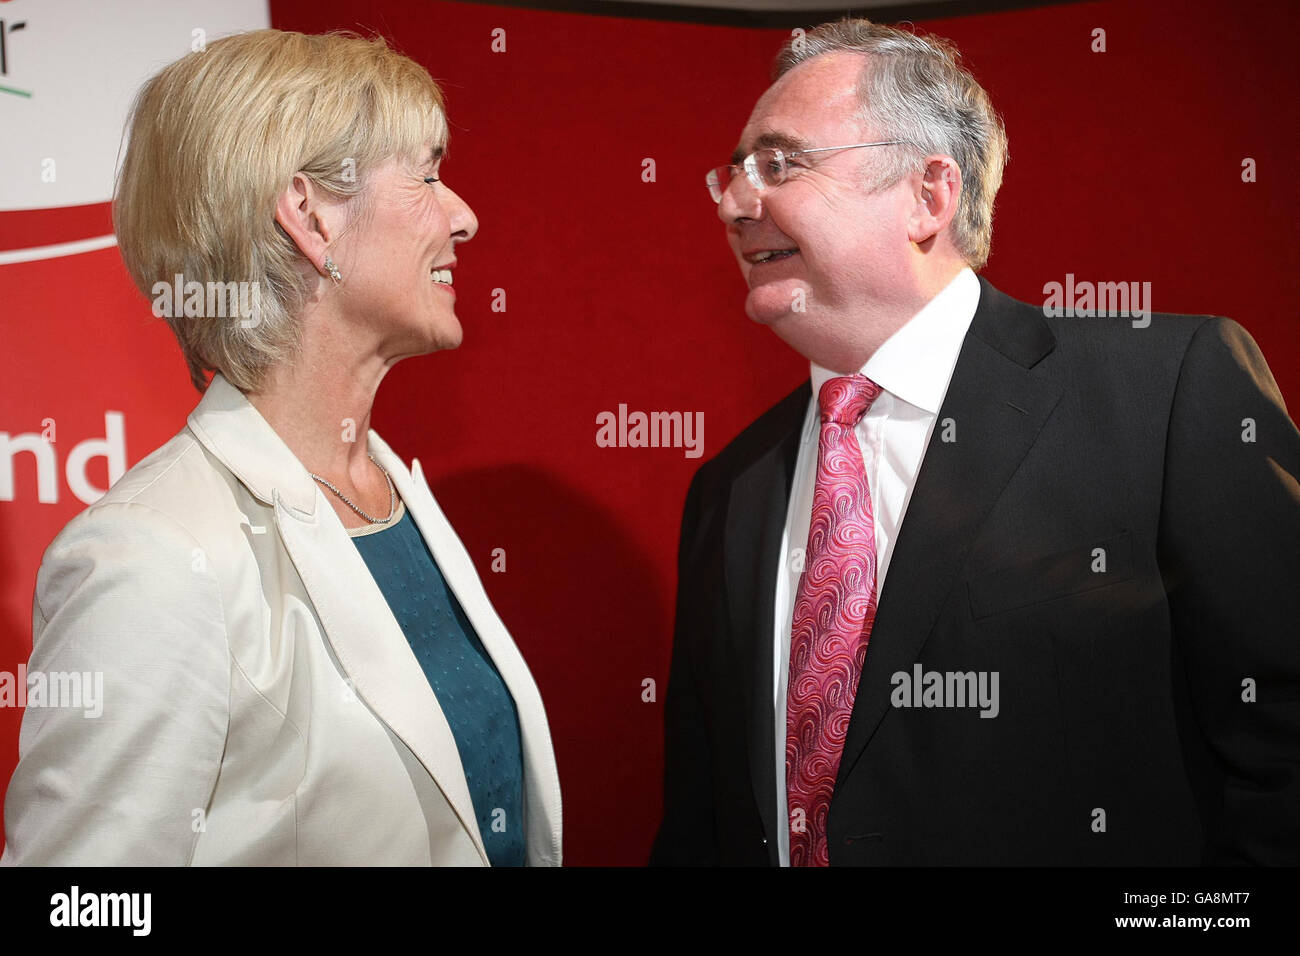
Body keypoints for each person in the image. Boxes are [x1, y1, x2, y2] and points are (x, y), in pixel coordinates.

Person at [651, 17, 1300, 866]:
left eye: (778, 163)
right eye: (731, 174)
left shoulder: (1168, 391)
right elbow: (703, 818)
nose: (736, 202)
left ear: (929, 195)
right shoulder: (730, 488)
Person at [1, 29, 561, 866]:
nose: (464, 216)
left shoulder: (391, 489)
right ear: (309, 215)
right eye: (428, 175)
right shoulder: (153, 555)